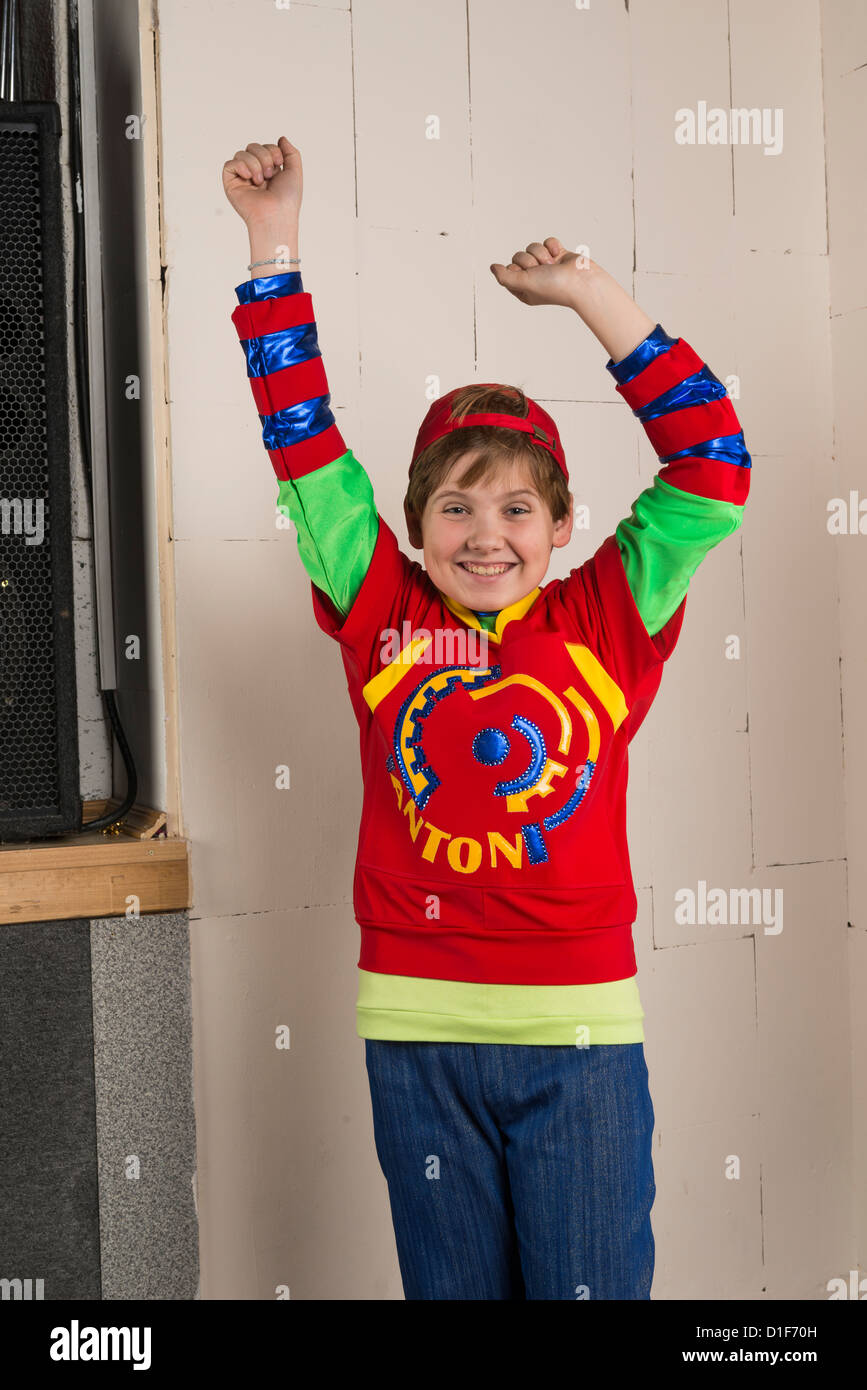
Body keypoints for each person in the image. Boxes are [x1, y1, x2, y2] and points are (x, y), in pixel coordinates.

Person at [222, 136, 751, 1300]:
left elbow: (712, 463)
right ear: (414, 526)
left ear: (562, 525)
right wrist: (272, 246)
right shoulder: (380, 615)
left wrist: (589, 296)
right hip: (415, 1036)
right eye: (453, 504)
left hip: (579, 1043)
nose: (483, 532)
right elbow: (307, 451)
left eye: (517, 505)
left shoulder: (610, 617)